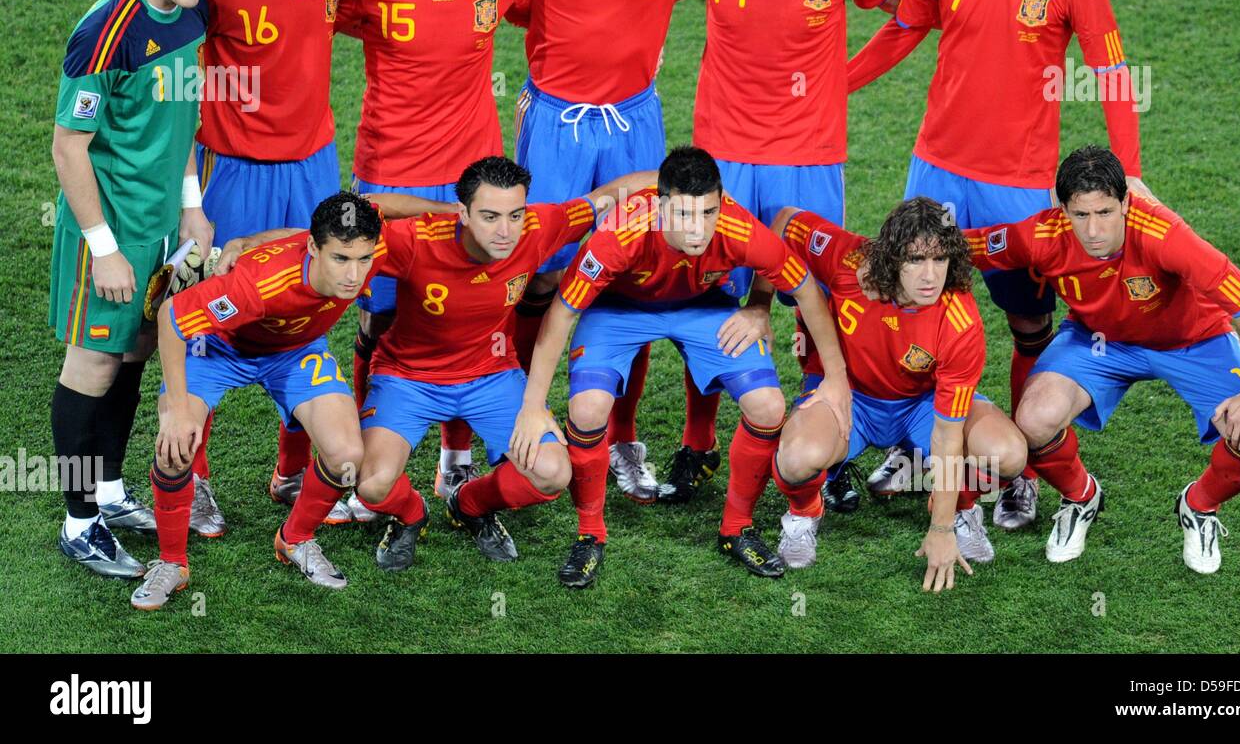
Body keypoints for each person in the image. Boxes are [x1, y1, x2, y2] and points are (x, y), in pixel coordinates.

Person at [336, 0, 869, 505]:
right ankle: (507, 424)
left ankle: (623, 441)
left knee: (639, 268)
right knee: (525, 267)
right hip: (555, 117)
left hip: (636, 118)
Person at [846, 0, 1154, 530]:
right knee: (917, 304)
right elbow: (905, 27)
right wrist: (837, 84)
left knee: (1027, 323)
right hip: (937, 168)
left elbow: (1110, 72)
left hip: (1018, 185)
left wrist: (1128, 172)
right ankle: (911, 444)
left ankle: (1024, 469)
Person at [658, 0, 902, 504]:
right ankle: (698, 442)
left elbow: (907, 8)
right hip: (725, 151)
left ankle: (830, 438)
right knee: (708, 292)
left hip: (809, 153)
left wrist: (844, 81)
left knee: (815, 298)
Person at [515, 147, 851, 587]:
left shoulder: (738, 226)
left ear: (721, 202)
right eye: (685, 215)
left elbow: (807, 291)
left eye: (708, 212)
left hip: (704, 308)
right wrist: (534, 404)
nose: (698, 228)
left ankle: (737, 529)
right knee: (586, 410)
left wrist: (829, 371)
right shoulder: (620, 233)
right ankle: (590, 535)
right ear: (659, 205)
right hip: (620, 309)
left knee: (769, 407)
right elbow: (560, 313)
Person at [130, 191, 452, 609]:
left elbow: (373, 203)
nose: (354, 275)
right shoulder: (257, 286)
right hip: (221, 348)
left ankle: (295, 539)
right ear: (314, 249)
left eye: (363, 259)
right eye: (340, 259)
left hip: (295, 350)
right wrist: (175, 410)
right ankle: (171, 563)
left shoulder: (365, 240)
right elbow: (172, 317)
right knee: (175, 449)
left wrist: (451, 211)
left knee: (347, 455)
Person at [966, 147, 1240, 572]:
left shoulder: (1163, 233)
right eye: (1081, 215)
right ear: (1060, 208)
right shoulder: (1041, 235)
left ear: (1127, 202)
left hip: (1194, 340)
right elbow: (965, 249)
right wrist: (883, 257)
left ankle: (1199, 507)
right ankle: (1081, 498)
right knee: (1034, 419)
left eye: (1106, 212)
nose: (1093, 230)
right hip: (1099, 342)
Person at [336, 0, 530, 508]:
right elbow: (311, 10)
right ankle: (365, 452)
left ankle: (455, 455)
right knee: (379, 319)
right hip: (388, 174)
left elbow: (552, 8)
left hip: (469, 181)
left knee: (467, 314)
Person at [352, 158, 653, 569]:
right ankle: (410, 514)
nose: (505, 231)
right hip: (408, 377)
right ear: (463, 213)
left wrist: (678, 184)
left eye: (515, 214)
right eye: (490, 216)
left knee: (551, 472)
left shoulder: (539, 227)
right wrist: (244, 250)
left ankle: (469, 503)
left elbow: (606, 196)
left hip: (491, 376)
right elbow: (353, 212)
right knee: (370, 484)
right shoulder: (415, 239)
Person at [49, 0, 214, 578]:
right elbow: (68, 147)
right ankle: (79, 521)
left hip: (159, 226)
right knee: (91, 365)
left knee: (138, 350)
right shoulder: (104, 30)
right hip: (108, 231)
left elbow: (177, 119)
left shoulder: (191, 12)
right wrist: (105, 247)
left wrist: (190, 203)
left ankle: (111, 493)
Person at [194, 0, 351, 533]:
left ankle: (290, 470)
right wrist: (188, 197)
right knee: (214, 320)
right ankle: (190, 477)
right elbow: (174, 72)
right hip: (237, 168)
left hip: (315, 163)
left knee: (313, 305)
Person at [768, 199, 1026, 589]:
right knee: (796, 459)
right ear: (891, 259)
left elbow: (947, 433)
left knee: (1007, 454)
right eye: (916, 259)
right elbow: (787, 222)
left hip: (923, 408)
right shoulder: (849, 261)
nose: (930, 276)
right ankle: (804, 512)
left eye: (940, 260)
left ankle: (963, 509)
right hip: (853, 399)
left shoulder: (960, 320)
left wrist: (940, 529)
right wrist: (756, 304)